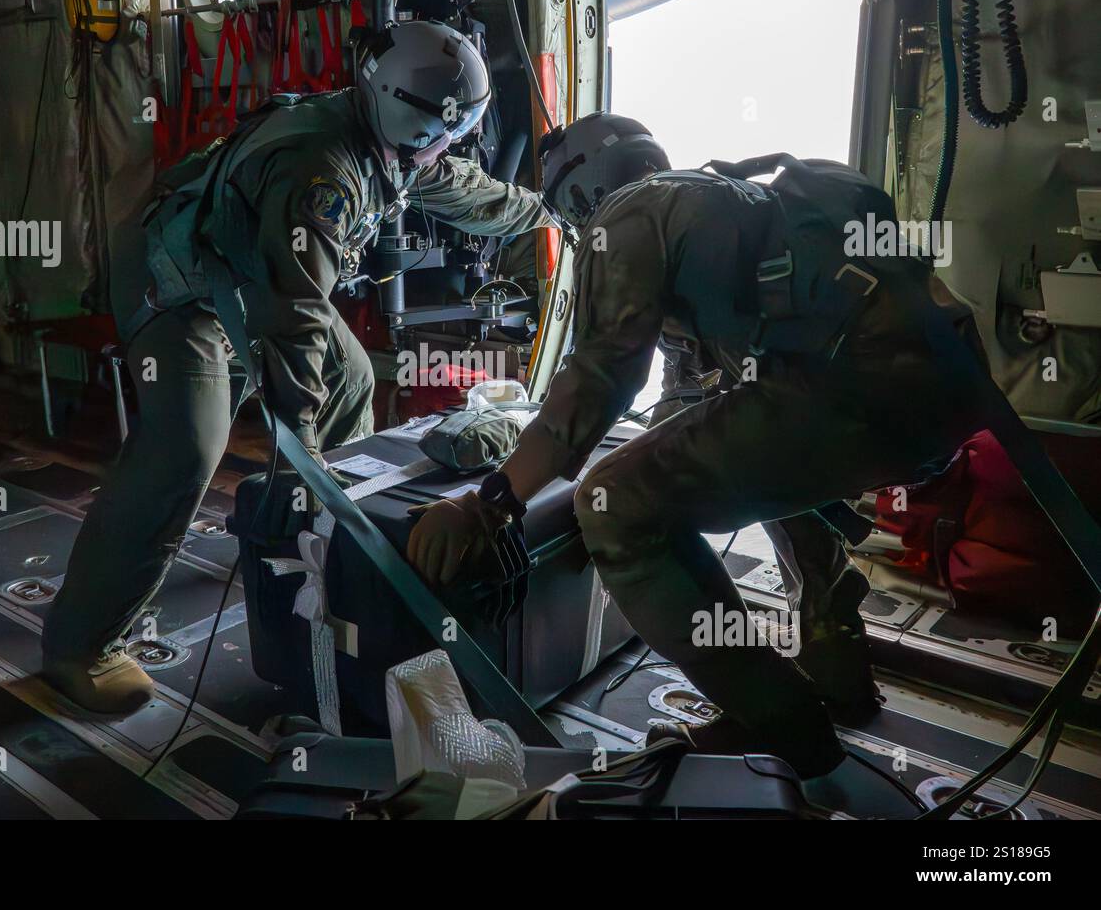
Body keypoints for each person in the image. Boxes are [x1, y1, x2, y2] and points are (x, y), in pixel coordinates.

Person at [407, 112, 987, 781]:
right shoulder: (722, 203)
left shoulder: (625, 216)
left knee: (610, 502)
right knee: (771, 479)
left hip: (865, 383)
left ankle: (783, 723)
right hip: (941, 384)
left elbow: (602, 376)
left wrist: (495, 500)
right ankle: (838, 669)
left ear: (583, 196)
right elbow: (694, 412)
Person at [42, 20, 555, 713]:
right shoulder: (324, 170)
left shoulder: (388, 136)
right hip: (179, 284)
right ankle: (82, 644)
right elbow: (295, 321)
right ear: (414, 121)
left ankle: (316, 542)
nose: (449, 149)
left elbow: (464, 191)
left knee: (355, 380)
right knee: (185, 448)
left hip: (247, 270)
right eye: (447, 134)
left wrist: (547, 210)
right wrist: (301, 451)